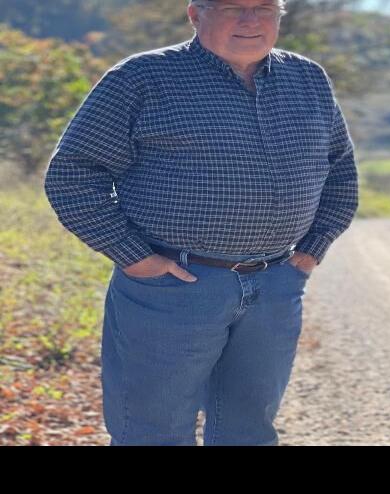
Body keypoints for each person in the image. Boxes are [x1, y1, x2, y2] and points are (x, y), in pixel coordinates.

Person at [44, 0, 359, 445]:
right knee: (152, 433)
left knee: (248, 432)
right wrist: (135, 259)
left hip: (275, 284)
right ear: (196, 15)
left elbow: (340, 169)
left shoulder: (307, 78)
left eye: (265, 8)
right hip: (172, 286)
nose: (251, 21)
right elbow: (74, 173)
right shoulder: (141, 79)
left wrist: (311, 250)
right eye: (234, 7)